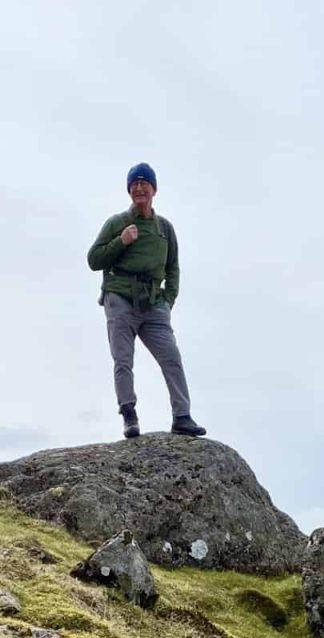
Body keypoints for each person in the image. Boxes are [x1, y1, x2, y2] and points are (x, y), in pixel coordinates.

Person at [87, 162, 206, 440]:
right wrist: (121, 242)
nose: (139, 188)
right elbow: (94, 259)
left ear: (154, 189)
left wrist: (168, 300)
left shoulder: (165, 228)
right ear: (129, 190)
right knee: (123, 360)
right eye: (134, 184)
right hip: (120, 299)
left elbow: (173, 267)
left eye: (145, 183)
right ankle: (129, 415)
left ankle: (182, 417)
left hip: (153, 304)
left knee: (172, 358)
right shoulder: (117, 223)